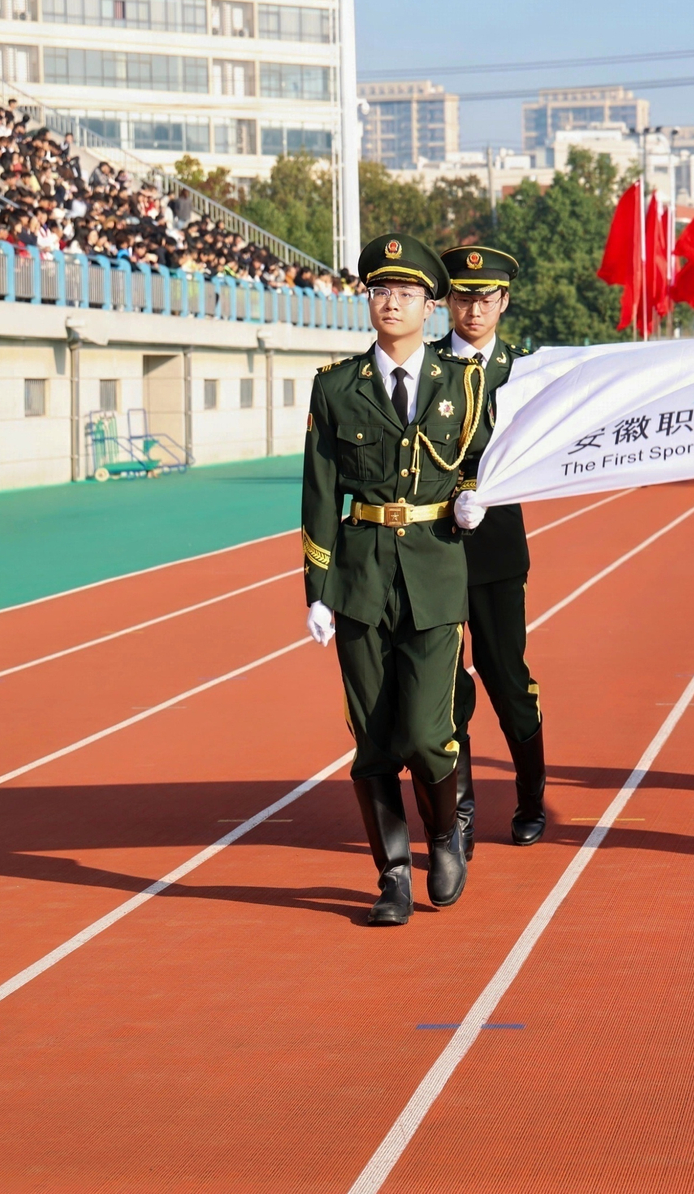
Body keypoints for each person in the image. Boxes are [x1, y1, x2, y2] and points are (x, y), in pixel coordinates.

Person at [301, 233, 484, 927]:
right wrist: (316, 589)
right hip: (359, 572)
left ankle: (444, 835)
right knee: (373, 739)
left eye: (405, 293)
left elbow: (483, 459)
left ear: (430, 306)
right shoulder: (335, 387)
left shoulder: (458, 382)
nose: (391, 302)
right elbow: (319, 492)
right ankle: (392, 877)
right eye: (380, 290)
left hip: (435, 568)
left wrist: (474, 497)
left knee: (428, 732)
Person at [434, 243, 548, 850]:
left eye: (484, 297)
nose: (472, 308)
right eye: (461, 296)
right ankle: (461, 813)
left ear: (503, 300)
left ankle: (531, 796)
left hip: (498, 547)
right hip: (433, 549)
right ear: (447, 301)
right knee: (445, 685)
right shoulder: (425, 368)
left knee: (507, 678)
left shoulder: (526, 373)